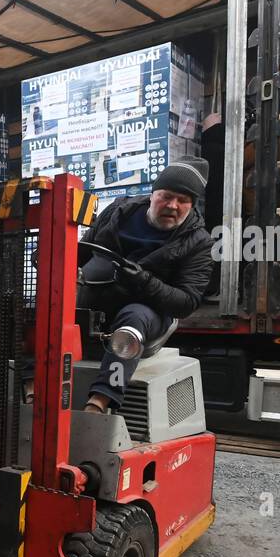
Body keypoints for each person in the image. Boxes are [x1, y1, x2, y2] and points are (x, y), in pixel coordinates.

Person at [77, 158, 214, 414]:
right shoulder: (119, 212)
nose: (172, 206)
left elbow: (186, 302)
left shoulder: (198, 242)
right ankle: (31, 389)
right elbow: (82, 254)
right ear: (153, 194)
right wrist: (54, 255)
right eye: (166, 196)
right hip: (96, 296)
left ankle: (98, 404)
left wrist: (143, 281)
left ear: (192, 205)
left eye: (183, 201)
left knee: (133, 319)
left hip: (148, 309)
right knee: (47, 308)